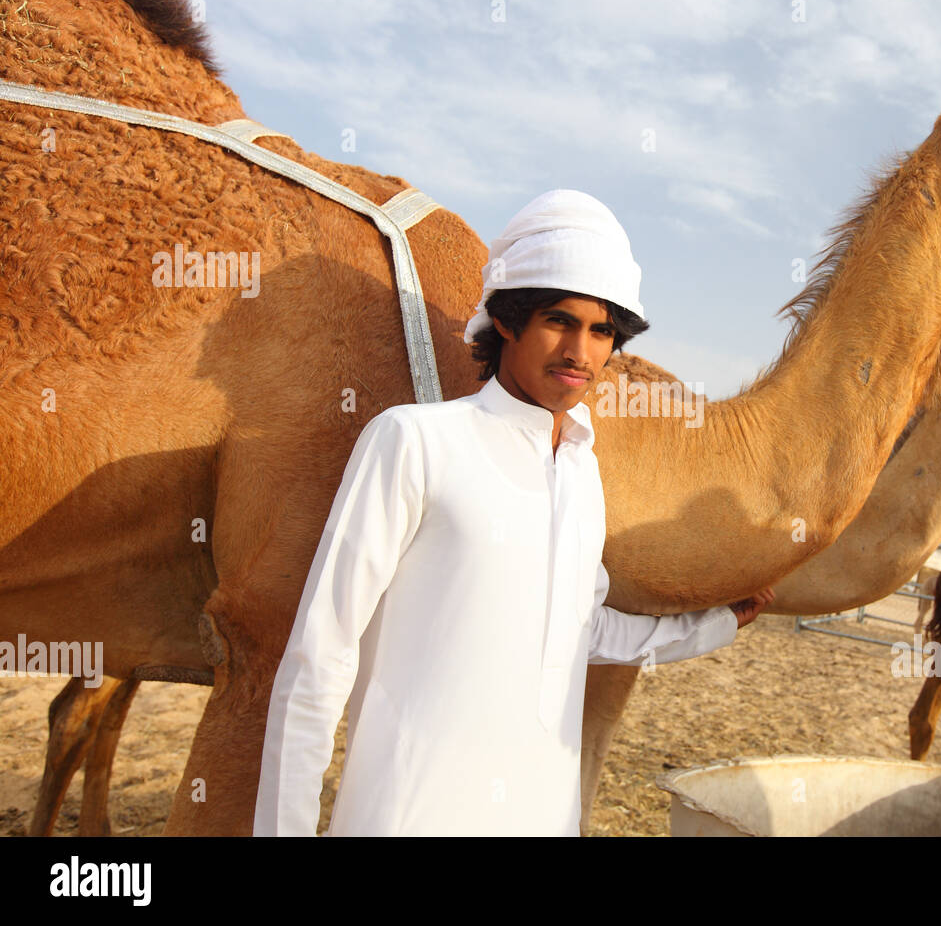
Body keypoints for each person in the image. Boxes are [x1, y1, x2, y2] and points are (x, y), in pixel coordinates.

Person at [253, 189, 773, 836]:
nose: (580, 352)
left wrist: (714, 625)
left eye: (601, 330)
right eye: (560, 320)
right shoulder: (414, 442)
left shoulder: (581, 471)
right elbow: (318, 661)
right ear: (507, 319)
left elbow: (585, 632)